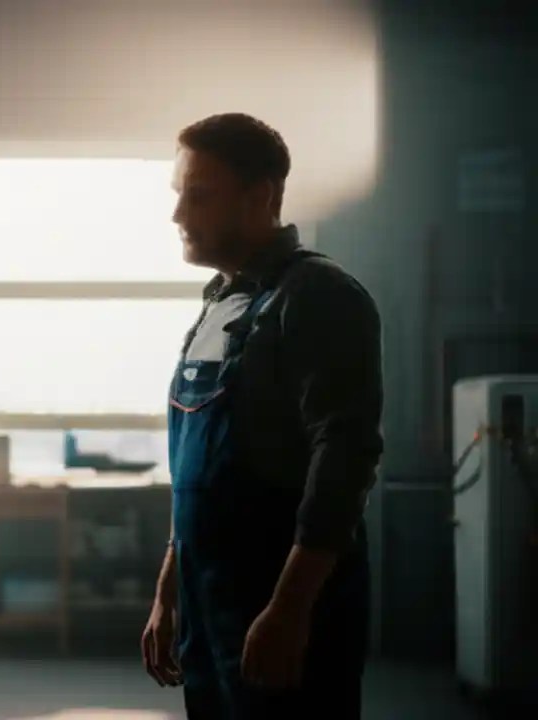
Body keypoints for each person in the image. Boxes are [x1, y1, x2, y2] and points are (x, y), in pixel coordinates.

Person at [140, 113, 383, 719]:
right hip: (208, 603)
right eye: (179, 196)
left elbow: (345, 460)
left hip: (279, 601)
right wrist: (170, 592)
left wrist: (290, 609)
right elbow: (195, 473)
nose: (177, 216)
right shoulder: (218, 303)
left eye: (198, 197)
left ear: (261, 197)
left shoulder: (317, 295)